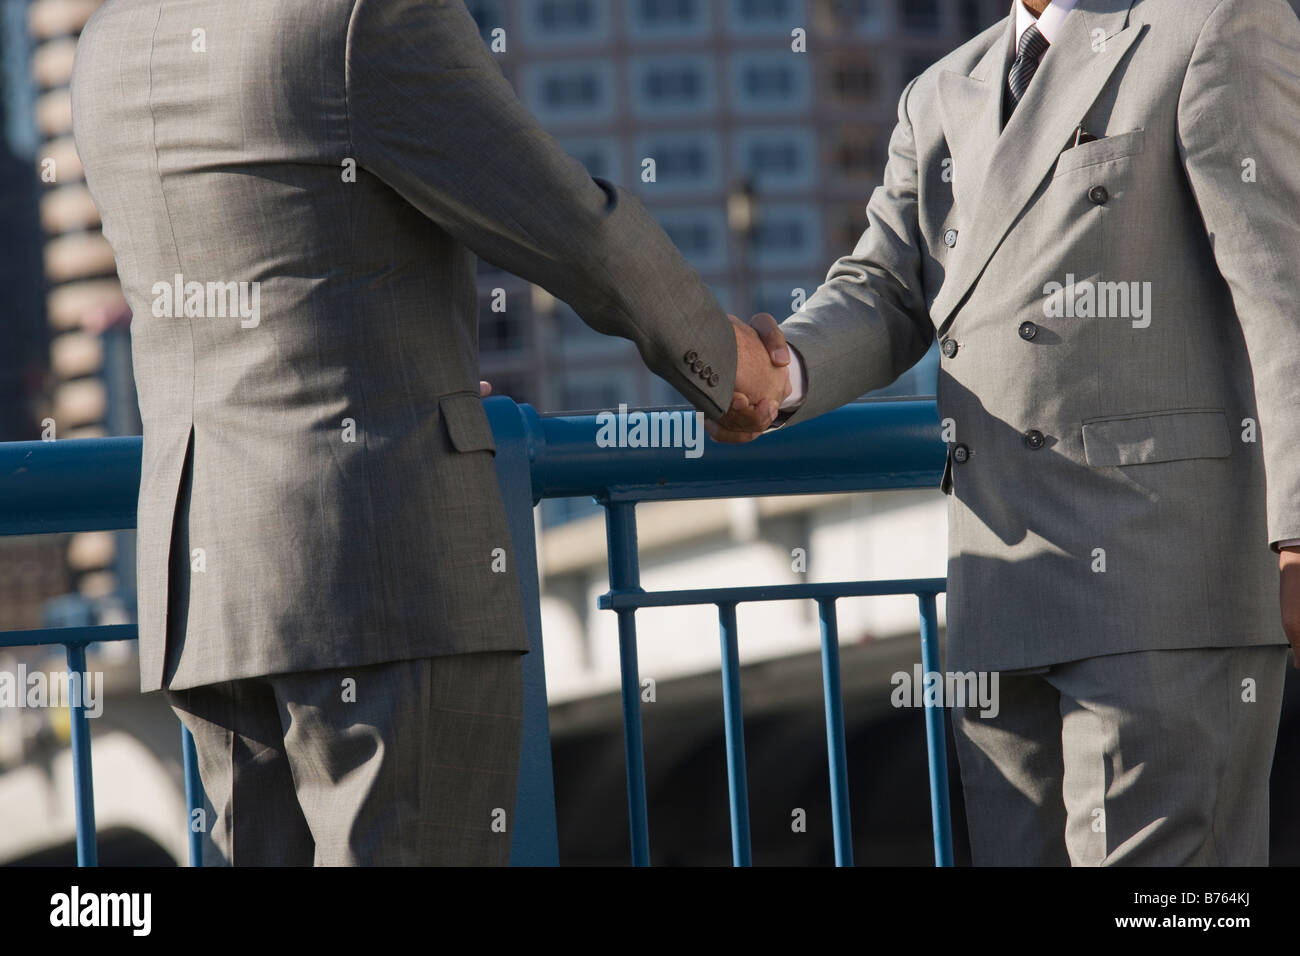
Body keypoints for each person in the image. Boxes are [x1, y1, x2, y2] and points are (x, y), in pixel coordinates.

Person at [69, 0, 789, 865]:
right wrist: (723, 361)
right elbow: (563, 222)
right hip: (377, 563)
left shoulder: (110, 41)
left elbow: (281, 260)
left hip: (203, 588)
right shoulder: (361, 17)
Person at [711, 0, 1300, 865]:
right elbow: (887, 288)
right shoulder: (940, 92)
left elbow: (1283, 288)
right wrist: (782, 370)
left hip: (1161, 581)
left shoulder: (1214, 20)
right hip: (999, 594)